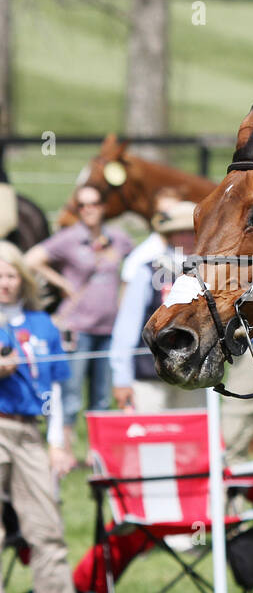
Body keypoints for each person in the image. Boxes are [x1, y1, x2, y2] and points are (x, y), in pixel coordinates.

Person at [0, 242, 80, 593]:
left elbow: (58, 389)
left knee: (46, 527)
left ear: (23, 279)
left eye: (11, 274)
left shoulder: (43, 325)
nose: (4, 283)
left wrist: (57, 442)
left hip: (30, 430)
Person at [24, 184, 132, 433]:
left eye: (93, 203)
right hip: (78, 327)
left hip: (109, 327)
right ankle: (66, 452)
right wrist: (61, 282)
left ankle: (98, 456)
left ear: (103, 207)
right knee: (71, 397)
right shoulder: (70, 238)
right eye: (82, 205)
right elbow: (31, 259)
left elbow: (137, 263)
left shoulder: (118, 238)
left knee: (102, 399)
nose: (88, 210)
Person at [110, 198, 207, 412]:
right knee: (150, 439)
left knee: (193, 440)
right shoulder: (149, 271)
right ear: (170, 235)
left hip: (194, 373)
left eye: (193, 231)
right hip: (150, 374)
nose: (187, 238)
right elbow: (127, 326)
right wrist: (122, 378)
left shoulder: (210, 272)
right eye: (181, 231)